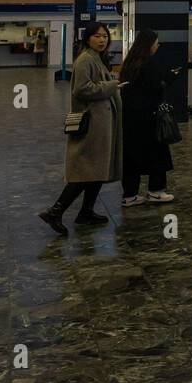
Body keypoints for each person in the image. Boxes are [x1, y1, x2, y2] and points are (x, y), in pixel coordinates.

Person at [40, 22, 123, 236]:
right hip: (92, 123)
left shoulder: (96, 58)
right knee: (85, 170)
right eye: (97, 36)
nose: (102, 40)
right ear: (88, 38)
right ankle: (55, 211)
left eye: (105, 36)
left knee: (97, 169)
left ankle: (86, 211)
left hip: (101, 122)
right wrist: (111, 85)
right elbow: (82, 89)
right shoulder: (86, 59)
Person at [118, 29, 181, 206]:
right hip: (149, 117)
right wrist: (170, 78)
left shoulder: (130, 63)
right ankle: (156, 191)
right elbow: (155, 87)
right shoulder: (149, 63)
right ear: (149, 44)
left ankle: (129, 195)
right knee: (158, 154)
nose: (157, 46)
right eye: (156, 43)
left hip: (130, 118)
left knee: (131, 158)